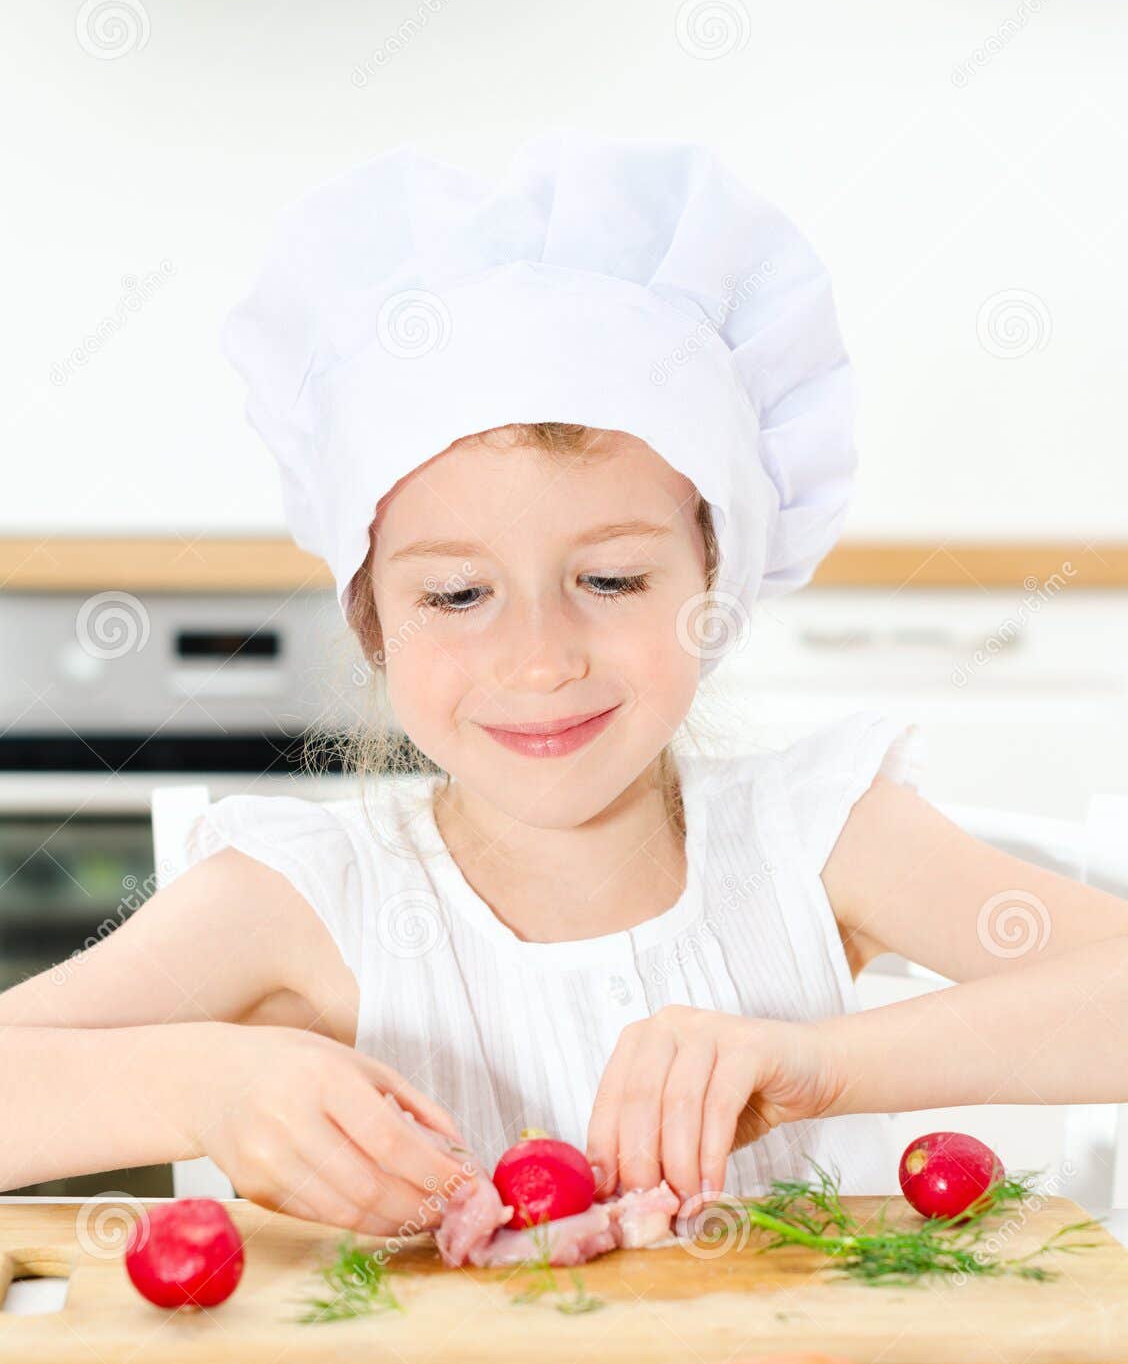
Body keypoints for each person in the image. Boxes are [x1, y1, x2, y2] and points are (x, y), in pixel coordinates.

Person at [5, 130, 1128, 1236]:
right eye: (457, 595)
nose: (540, 658)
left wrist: (821, 1066)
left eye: (610, 577)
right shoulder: (303, 900)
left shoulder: (814, 836)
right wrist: (199, 1081)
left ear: (715, 579)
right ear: (373, 619)